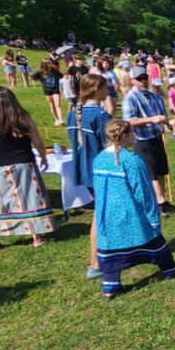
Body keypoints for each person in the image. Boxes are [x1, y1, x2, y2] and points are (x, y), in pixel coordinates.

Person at [93, 120, 175, 300]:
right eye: (132, 133)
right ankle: (172, 270)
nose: (135, 136)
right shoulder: (132, 161)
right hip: (131, 214)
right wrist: (153, 217)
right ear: (124, 136)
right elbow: (144, 192)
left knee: (110, 252)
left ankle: (110, 287)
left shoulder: (99, 159)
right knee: (155, 243)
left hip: (108, 216)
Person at [0, 87, 56, 249]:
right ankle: (37, 238)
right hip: (24, 163)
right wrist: (43, 156)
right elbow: (37, 141)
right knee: (30, 199)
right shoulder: (21, 116)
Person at [67, 74, 112, 278]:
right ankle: (95, 263)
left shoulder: (74, 113)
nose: (108, 91)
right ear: (96, 90)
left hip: (85, 171)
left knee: (102, 212)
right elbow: (111, 146)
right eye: (106, 88)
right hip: (101, 171)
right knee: (100, 214)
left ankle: (108, 253)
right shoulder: (100, 116)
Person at [121, 66, 175, 215]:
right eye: (139, 79)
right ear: (132, 80)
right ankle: (156, 205)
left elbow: (163, 117)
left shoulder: (154, 96)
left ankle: (162, 202)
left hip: (157, 138)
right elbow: (129, 121)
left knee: (160, 172)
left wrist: (173, 123)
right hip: (142, 141)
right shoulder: (130, 97)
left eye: (145, 77)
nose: (143, 81)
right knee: (150, 175)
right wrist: (152, 119)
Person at [33, 59, 64, 126]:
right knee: (52, 105)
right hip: (47, 90)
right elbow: (33, 77)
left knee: (57, 104)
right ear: (45, 65)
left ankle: (61, 120)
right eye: (49, 63)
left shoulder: (54, 71)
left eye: (51, 63)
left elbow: (61, 76)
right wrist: (41, 81)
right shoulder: (40, 72)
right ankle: (56, 120)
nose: (51, 64)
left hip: (55, 90)